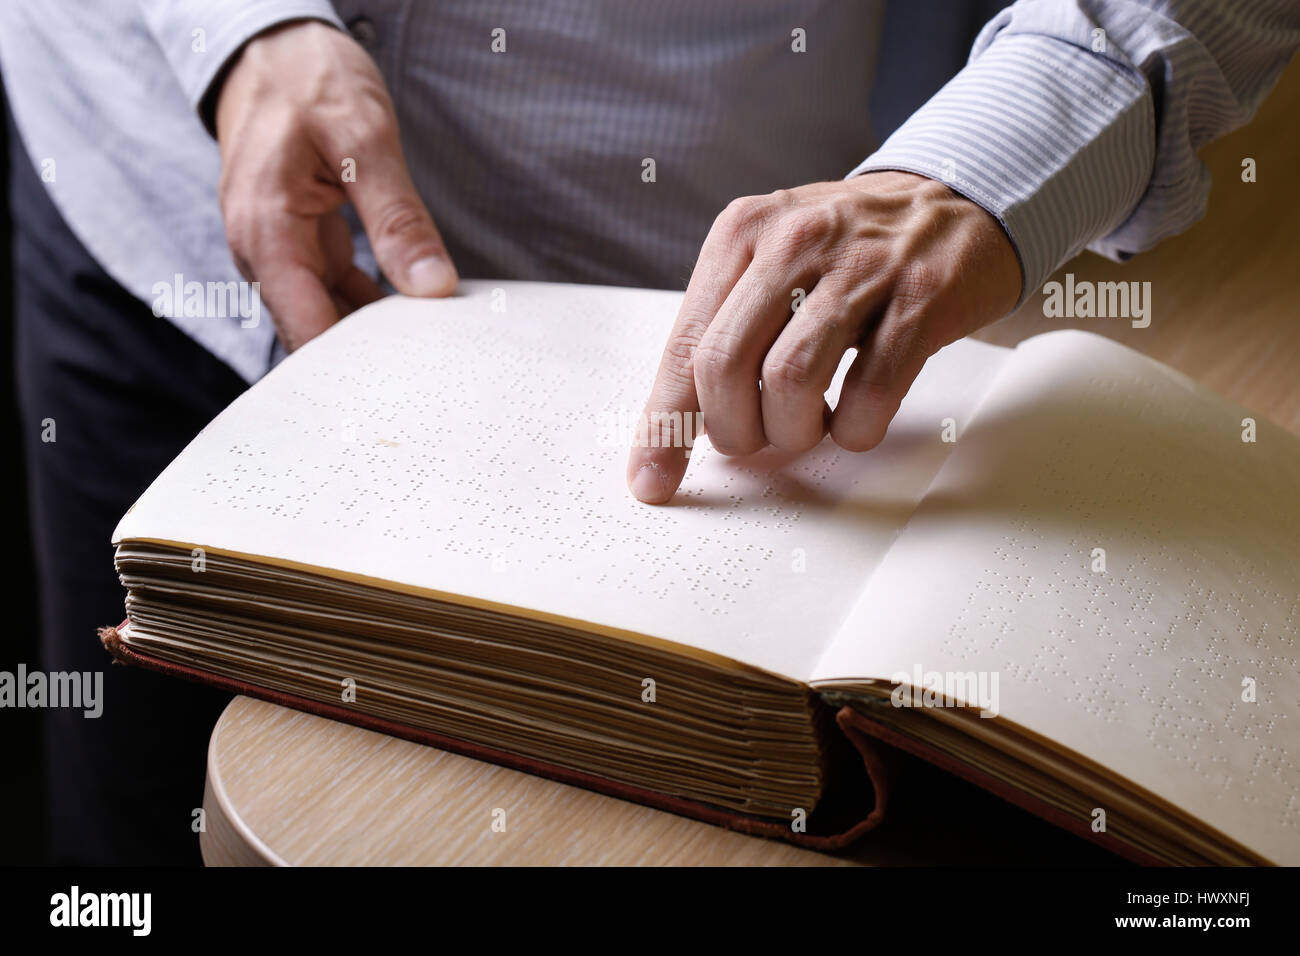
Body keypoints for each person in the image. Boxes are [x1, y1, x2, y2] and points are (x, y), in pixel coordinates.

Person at [1, 1, 1296, 864]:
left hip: (675, 320)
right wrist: (241, 30)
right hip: (159, 201)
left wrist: (988, 162)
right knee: (128, 831)